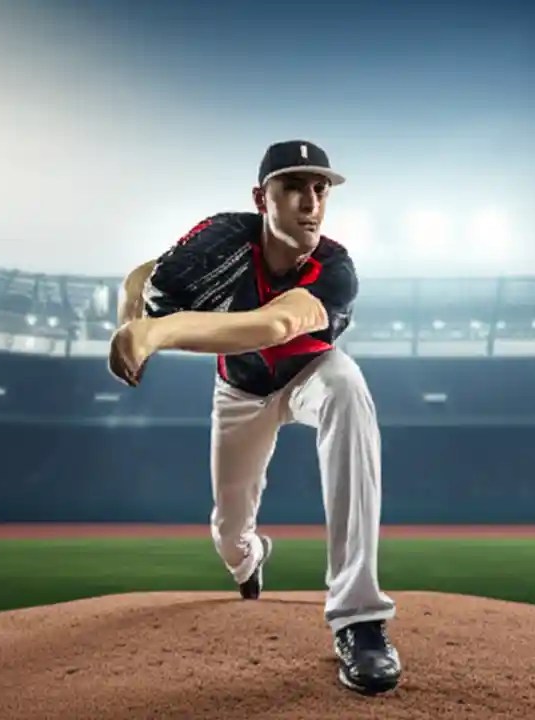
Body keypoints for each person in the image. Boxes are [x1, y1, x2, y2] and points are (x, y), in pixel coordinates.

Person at [108, 140, 401, 696]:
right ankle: (249, 558)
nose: (310, 202)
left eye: (320, 188)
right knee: (227, 531)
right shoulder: (223, 237)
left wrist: (154, 332)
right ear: (261, 198)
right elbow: (144, 275)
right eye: (293, 187)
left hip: (308, 374)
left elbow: (272, 327)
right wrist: (130, 314)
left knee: (349, 388)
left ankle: (359, 617)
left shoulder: (335, 268)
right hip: (239, 392)